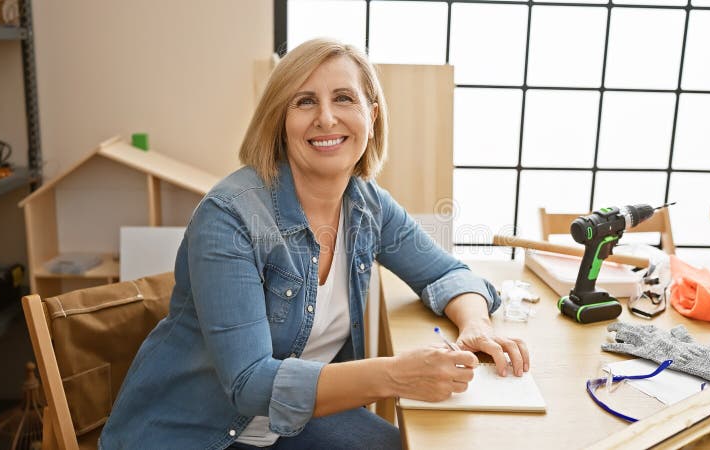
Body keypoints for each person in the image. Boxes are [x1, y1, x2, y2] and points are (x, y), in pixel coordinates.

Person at [99, 38, 530, 450]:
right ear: (279, 120)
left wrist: (476, 325)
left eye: (344, 98)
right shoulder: (228, 217)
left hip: (292, 425)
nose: (326, 118)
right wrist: (395, 375)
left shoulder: (367, 204)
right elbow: (249, 383)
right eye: (304, 101)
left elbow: (447, 273)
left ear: (372, 115)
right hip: (196, 434)